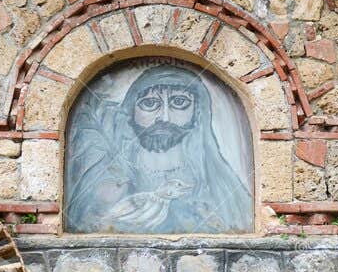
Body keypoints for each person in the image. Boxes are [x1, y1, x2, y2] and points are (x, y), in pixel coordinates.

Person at [65, 60, 253, 233]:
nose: (164, 117)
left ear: (197, 113)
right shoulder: (113, 172)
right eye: (150, 103)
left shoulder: (216, 179)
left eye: (179, 103)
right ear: (130, 111)